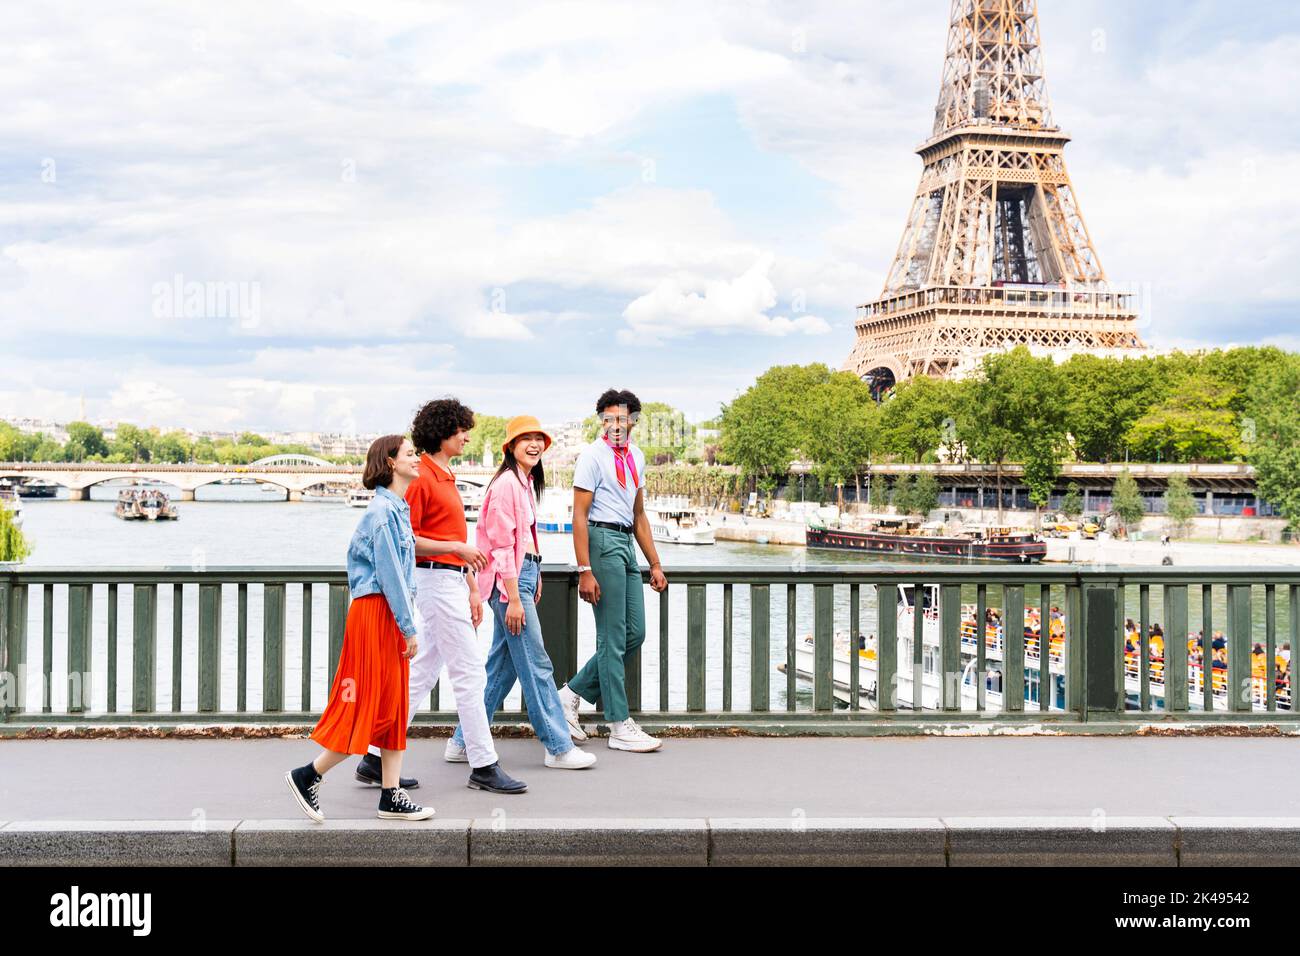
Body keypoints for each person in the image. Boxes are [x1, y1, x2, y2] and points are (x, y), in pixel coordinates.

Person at [358, 399, 526, 795]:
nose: (468, 436)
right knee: (469, 672)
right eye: (462, 429)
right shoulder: (422, 478)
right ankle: (483, 764)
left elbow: (452, 543)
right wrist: (457, 549)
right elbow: (406, 541)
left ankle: (372, 757)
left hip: (449, 581)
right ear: (444, 431)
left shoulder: (445, 476)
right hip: (434, 581)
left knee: (421, 675)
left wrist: (469, 585)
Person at [284, 435, 433, 821]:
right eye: (410, 454)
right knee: (365, 702)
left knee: (394, 703)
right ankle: (308, 774)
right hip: (377, 614)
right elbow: (390, 576)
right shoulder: (383, 513)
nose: (417, 458)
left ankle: (390, 794)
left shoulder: (396, 509)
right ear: (390, 461)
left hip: (385, 613)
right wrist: (409, 626)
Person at [448, 416, 596, 770]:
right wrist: (515, 596)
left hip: (522, 577)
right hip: (509, 584)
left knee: (503, 667)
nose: (534, 444)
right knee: (537, 663)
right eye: (525, 439)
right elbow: (500, 547)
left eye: (538, 439)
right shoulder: (506, 486)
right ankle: (558, 746)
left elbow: (521, 539)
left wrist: (535, 571)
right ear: (510, 447)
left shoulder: (522, 482)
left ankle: (462, 740)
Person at [557, 388, 668, 752]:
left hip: (625, 545)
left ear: (633, 420)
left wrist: (654, 563)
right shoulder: (592, 456)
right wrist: (584, 568)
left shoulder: (636, 456)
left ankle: (570, 694)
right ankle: (619, 724)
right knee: (611, 636)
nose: (615, 425)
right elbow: (578, 515)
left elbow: (639, 515)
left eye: (621, 418)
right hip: (601, 541)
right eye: (608, 419)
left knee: (634, 633)